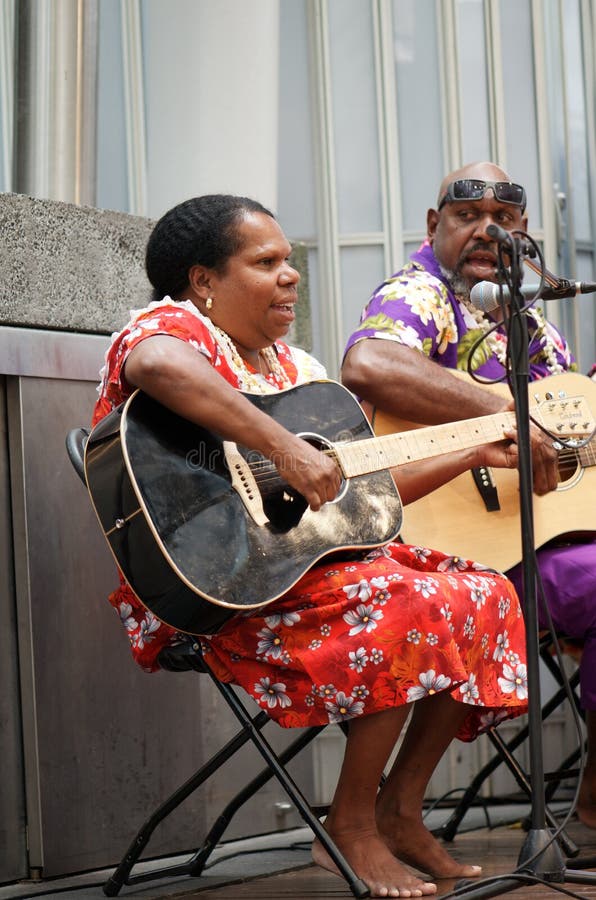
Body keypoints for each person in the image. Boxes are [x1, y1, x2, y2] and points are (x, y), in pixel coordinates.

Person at [93, 193, 531, 898]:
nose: (290, 275)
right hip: (220, 588)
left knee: (485, 593)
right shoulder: (170, 327)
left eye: (289, 261)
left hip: (300, 573)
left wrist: (475, 447)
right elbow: (156, 369)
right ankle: (349, 825)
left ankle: (399, 809)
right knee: (405, 601)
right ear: (203, 280)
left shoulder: (292, 369)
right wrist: (280, 446)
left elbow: (363, 502)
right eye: (265, 262)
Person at [342, 160, 596, 831]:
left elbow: (562, 432)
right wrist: (506, 416)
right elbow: (368, 364)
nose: (486, 232)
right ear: (435, 225)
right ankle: (593, 813)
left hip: (537, 531)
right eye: (466, 218)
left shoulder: (531, 322)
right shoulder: (421, 292)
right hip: (447, 540)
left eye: (504, 222)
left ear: (524, 234)